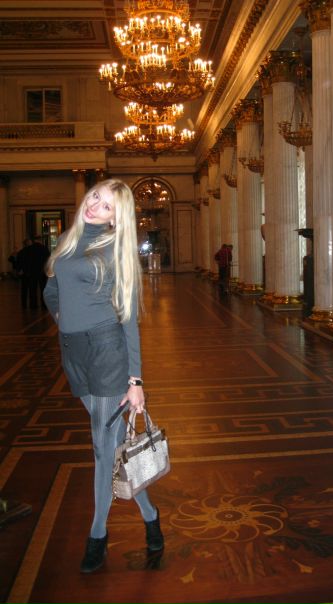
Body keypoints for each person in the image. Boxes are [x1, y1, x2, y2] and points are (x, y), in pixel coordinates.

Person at [43, 179, 163, 573]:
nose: (95, 205)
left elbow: (128, 318)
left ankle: (97, 534)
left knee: (101, 448)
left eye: (107, 206)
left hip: (107, 352)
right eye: (96, 196)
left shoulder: (115, 250)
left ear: (116, 219)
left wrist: (136, 380)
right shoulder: (68, 240)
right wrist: (62, 317)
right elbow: (51, 288)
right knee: (112, 448)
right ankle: (150, 516)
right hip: (74, 353)